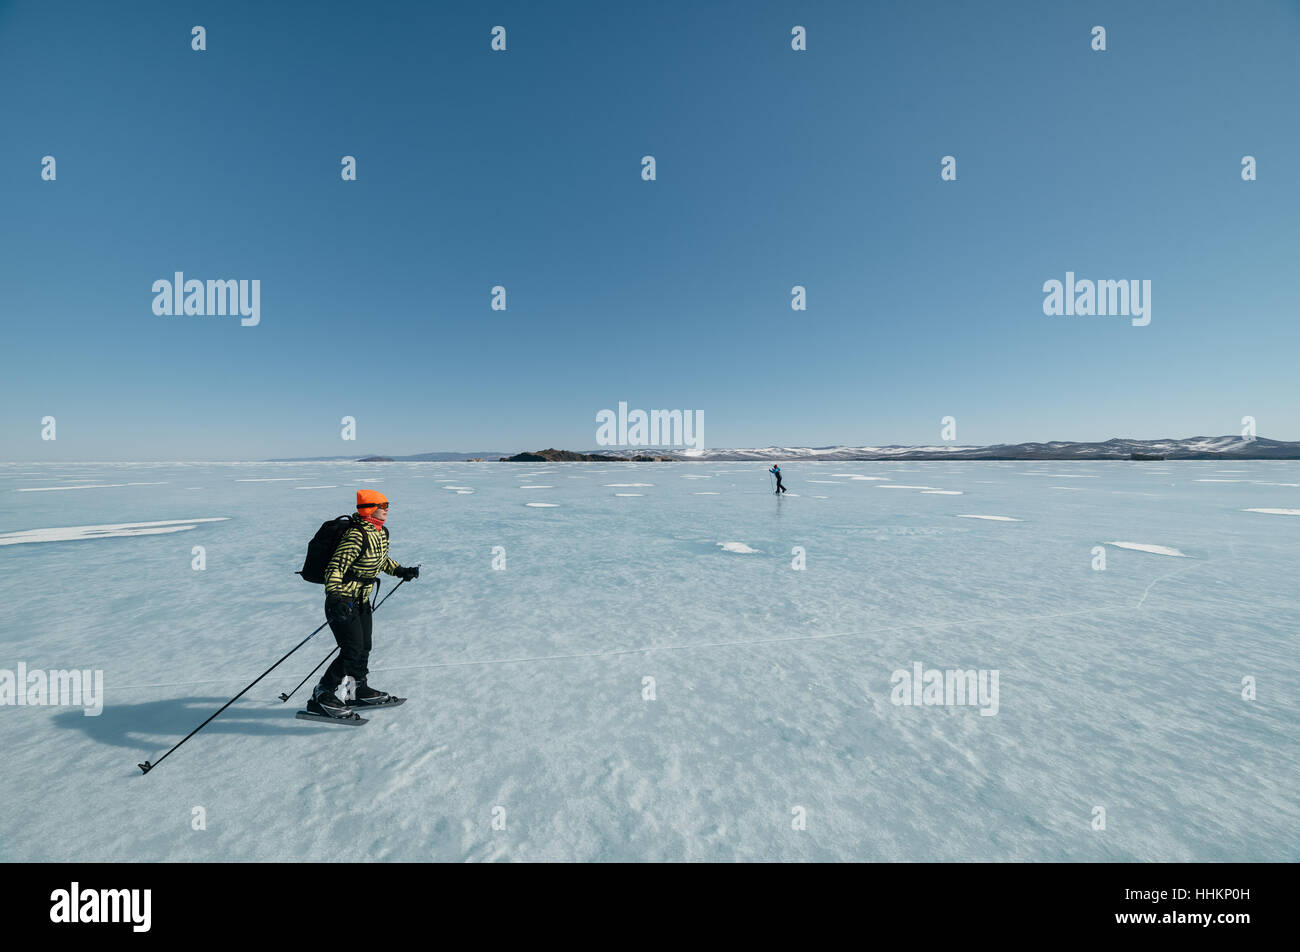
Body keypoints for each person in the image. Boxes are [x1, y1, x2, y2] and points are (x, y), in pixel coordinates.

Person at [307, 490, 419, 717]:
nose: (387, 508)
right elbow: (335, 567)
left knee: (363, 648)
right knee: (351, 648)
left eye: (388, 504)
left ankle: (356, 691)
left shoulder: (380, 532)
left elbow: (381, 559)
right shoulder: (356, 535)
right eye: (382, 504)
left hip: (362, 600)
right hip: (343, 601)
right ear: (369, 508)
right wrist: (335, 597)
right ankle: (323, 694)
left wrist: (400, 570)